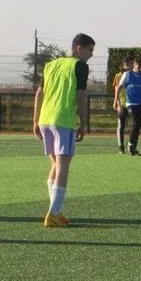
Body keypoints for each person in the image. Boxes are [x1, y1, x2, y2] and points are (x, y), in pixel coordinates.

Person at [33, 33, 95, 227]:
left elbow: (39, 93)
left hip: (45, 119)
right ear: (78, 47)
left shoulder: (51, 65)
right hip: (63, 120)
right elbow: (81, 95)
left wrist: (35, 120)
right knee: (63, 166)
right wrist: (83, 123)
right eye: (90, 50)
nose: (91, 55)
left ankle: (55, 212)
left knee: (54, 165)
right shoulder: (80, 66)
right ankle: (53, 213)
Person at [113, 54, 141, 156]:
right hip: (130, 104)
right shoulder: (127, 74)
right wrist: (116, 101)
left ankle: (133, 147)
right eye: (138, 66)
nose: (140, 68)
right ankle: (129, 145)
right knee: (135, 123)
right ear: (134, 64)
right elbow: (119, 88)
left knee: (138, 126)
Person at [111, 53, 134, 153]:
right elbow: (117, 90)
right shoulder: (118, 76)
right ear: (125, 64)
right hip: (122, 104)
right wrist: (117, 104)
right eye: (130, 64)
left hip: (132, 104)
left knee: (133, 125)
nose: (132, 65)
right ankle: (121, 147)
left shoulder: (134, 75)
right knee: (121, 126)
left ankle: (131, 145)